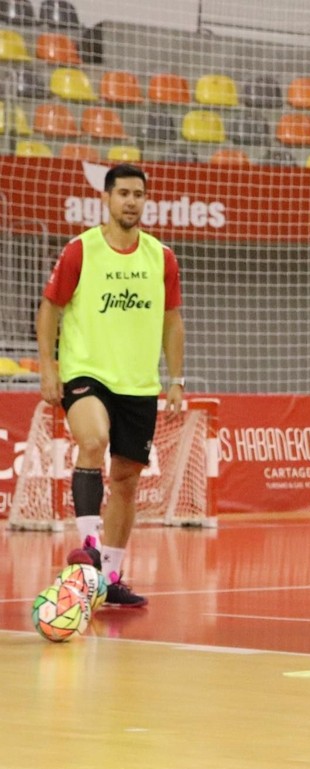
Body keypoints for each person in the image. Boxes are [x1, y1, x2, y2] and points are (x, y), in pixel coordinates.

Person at [37, 163, 186, 608]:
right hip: (86, 372)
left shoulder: (162, 257)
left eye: (138, 194)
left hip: (138, 382)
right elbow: (50, 308)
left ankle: (112, 578)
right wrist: (49, 366)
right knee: (93, 438)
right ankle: (90, 558)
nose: (131, 201)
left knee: (125, 479)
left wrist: (175, 379)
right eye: (123, 193)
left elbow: (172, 321)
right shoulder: (81, 250)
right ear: (106, 199)